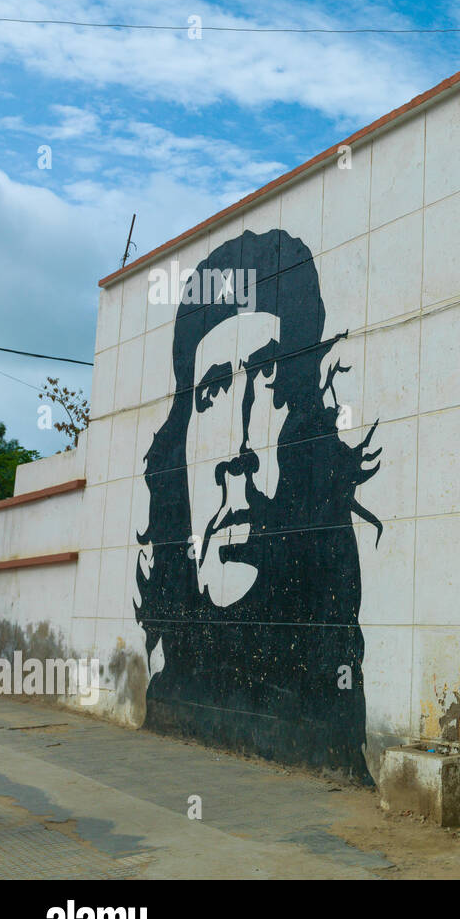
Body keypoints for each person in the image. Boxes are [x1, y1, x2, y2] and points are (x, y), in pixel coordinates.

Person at [134, 229, 381, 782]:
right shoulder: (169, 684)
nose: (238, 450)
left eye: (269, 376)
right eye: (214, 389)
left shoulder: (330, 683)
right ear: (179, 448)